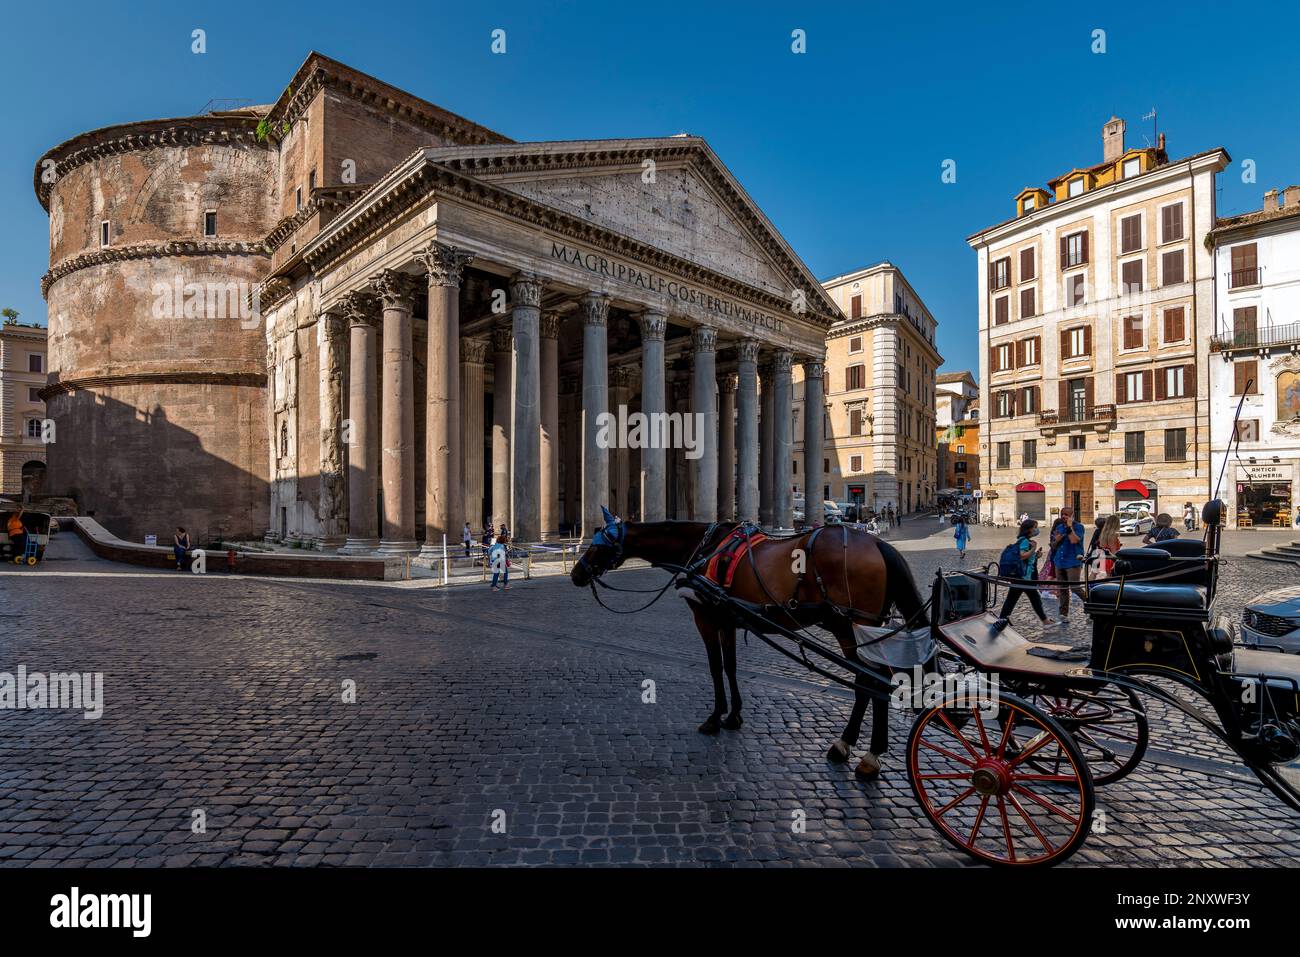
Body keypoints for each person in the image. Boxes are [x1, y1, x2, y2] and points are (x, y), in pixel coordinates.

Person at [994, 519, 1052, 628]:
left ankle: (1002, 618)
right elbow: (1022, 556)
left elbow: (1026, 558)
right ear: (1029, 529)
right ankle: (1045, 621)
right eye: (1035, 527)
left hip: (1022, 576)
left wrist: (1036, 555)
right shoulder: (1025, 541)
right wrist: (1034, 548)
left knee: (1014, 598)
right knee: (1033, 598)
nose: (1036, 529)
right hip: (1024, 576)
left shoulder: (1023, 540)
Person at [1049, 507, 1087, 616]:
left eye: (1066, 514)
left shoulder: (1079, 527)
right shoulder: (1059, 527)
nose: (1064, 516)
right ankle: (1063, 614)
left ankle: (1090, 604)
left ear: (1072, 516)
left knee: (1075, 587)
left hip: (1073, 561)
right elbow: (1054, 545)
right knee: (1062, 589)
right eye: (1062, 514)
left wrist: (1069, 528)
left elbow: (1074, 540)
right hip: (1059, 561)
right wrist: (1057, 540)